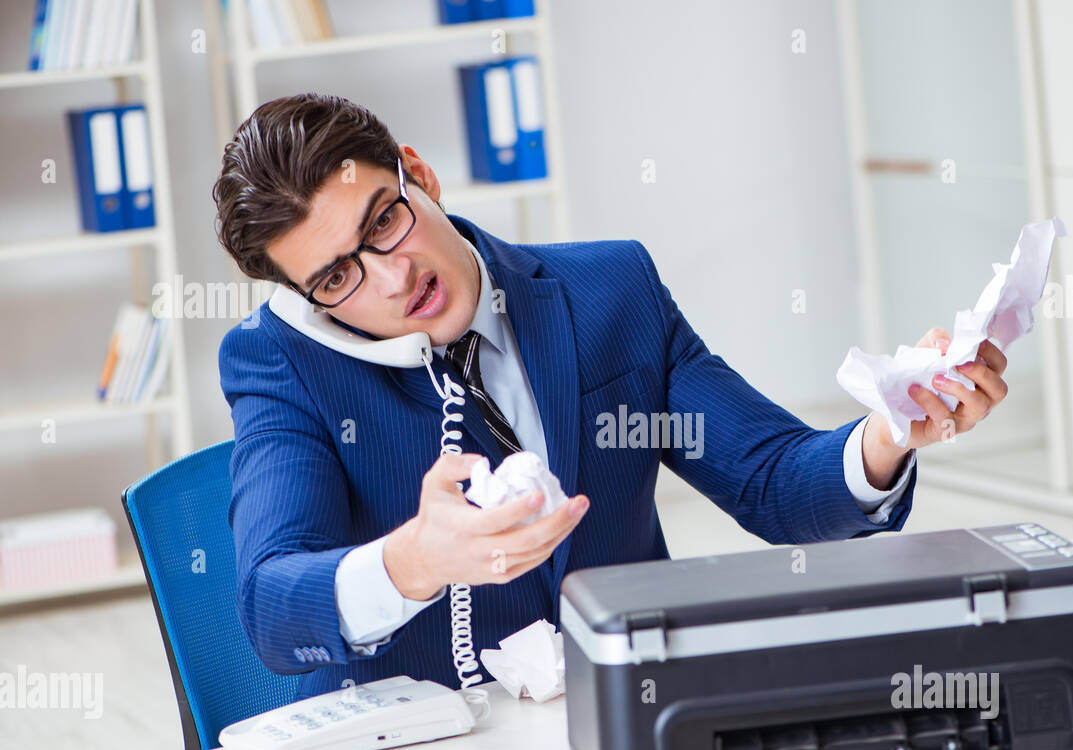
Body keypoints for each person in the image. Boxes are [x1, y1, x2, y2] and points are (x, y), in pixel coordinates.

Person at [213, 93, 1009, 700]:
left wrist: (888, 431)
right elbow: (271, 607)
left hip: (637, 708)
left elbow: (771, 480)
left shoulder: (610, 290)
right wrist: (413, 560)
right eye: (337, 277)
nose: (393, 278)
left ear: (419, 176)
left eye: (385, 221)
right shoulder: (279, 363)